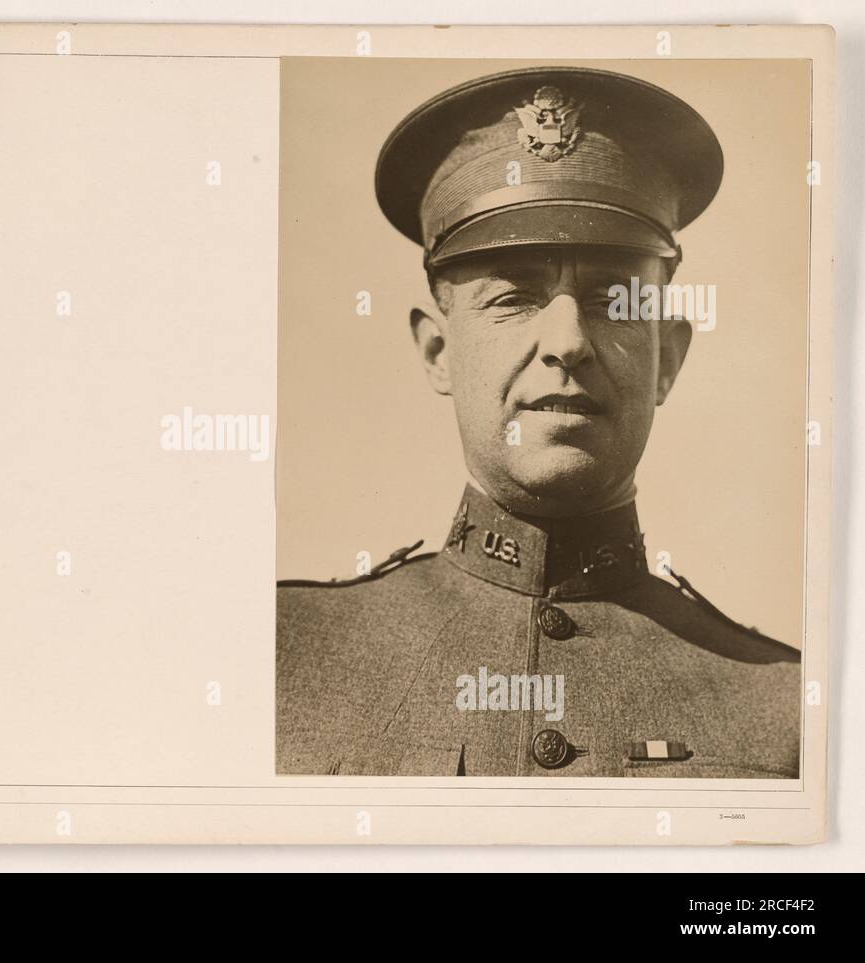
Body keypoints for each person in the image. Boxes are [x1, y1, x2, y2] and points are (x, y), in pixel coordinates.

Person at [276, 67, 801, 778]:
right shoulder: (280, 661)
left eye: (612, 300)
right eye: (515, 296)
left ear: (667, 356)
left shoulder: (791, 713)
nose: (567, 341)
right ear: (437, 351)